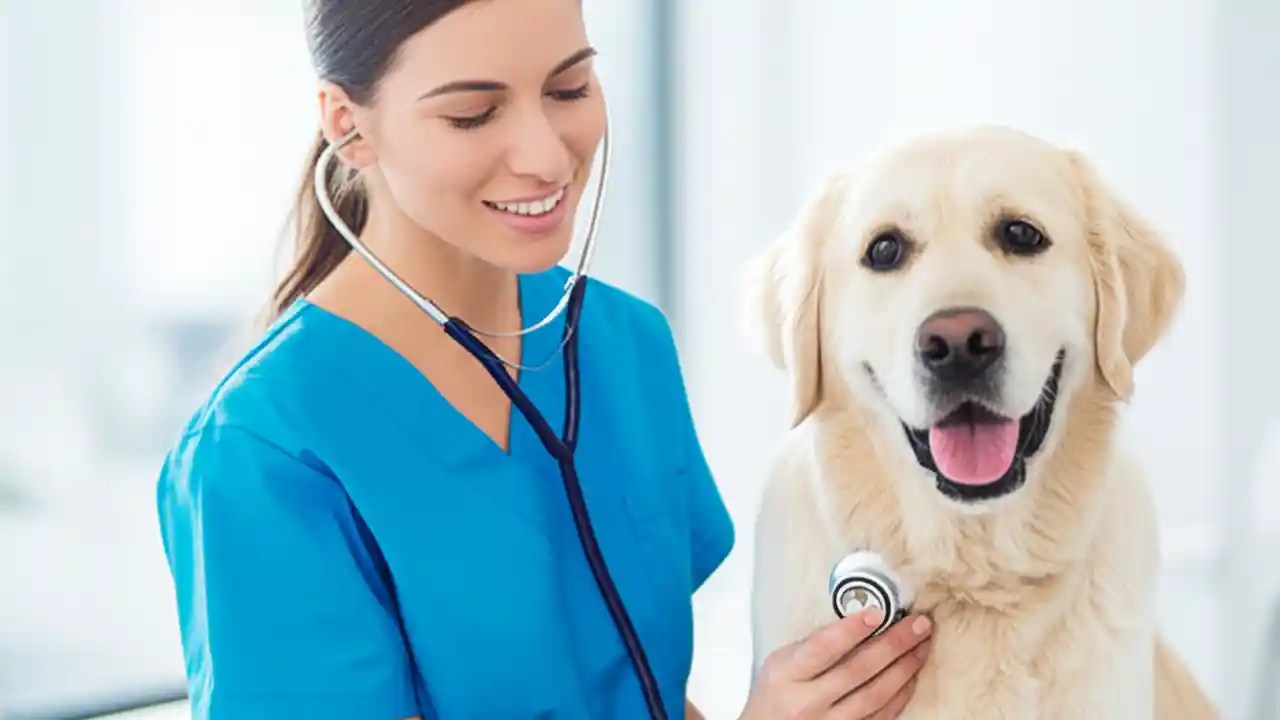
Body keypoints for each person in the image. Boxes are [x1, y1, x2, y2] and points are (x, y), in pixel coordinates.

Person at [154, 1, 933, 718]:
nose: (546, 158)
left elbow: (641, 686)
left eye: (568, 89)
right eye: (473, 113)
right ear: (348, 126)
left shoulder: (624, 346)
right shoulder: (263, 451)